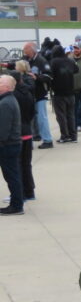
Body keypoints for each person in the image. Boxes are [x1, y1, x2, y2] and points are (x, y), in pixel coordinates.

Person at [11, 67, 36, 202]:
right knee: (27, 164)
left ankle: (21, 193)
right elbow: (33, 112)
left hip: (17, 133)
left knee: (17, 165)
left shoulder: (13, 96)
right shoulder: (28, 93)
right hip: (27, 130)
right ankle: (30, 192)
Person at [0, 75, 24, 216]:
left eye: (0, 83)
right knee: (12, 176)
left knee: (12, 176)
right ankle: (16, 204)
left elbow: (3, 131)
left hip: (8, 146)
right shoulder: (6, 100)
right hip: (10, 144)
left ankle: (16, 206)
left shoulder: (6, 103)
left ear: (7, 87)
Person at [22, 41, 53, 148]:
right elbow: (18, 65)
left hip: (40, 95)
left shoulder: (41, 61)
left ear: (32, 50)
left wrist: (37, 77)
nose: (24, 51)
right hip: (30, 95)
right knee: (31, 119)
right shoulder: (27, 60)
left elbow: (49, 76)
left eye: (25, 49)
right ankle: (33, 138)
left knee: (41, 118)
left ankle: (48, 140)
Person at [50, 45, 78, 144]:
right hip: (70, 91)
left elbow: (50, 75)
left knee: (61, 116)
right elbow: (76, 70)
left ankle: (64, 136)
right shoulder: (70, 60)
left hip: (59, 93)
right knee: (71, 115)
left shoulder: (54, 62)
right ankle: (73, 136)